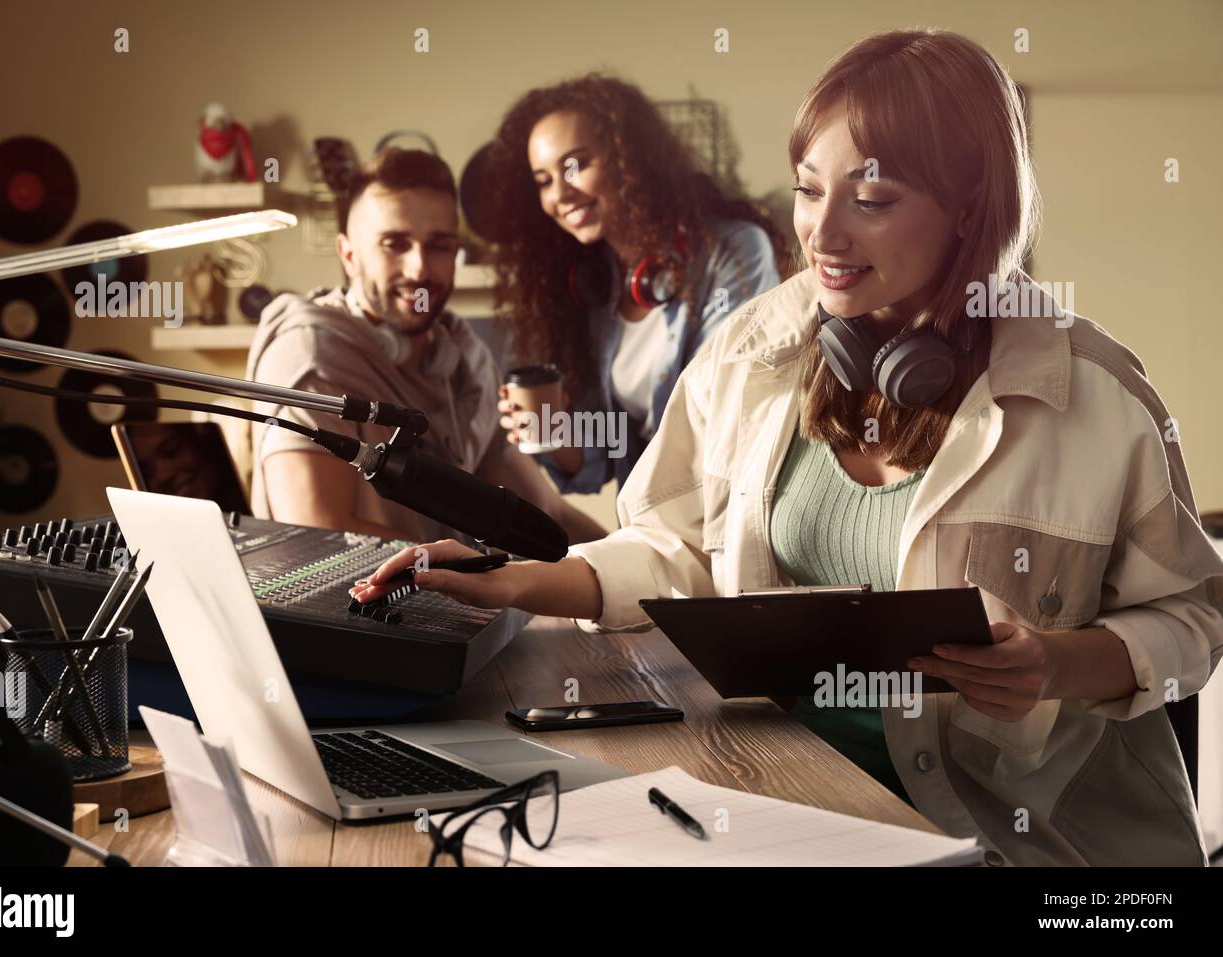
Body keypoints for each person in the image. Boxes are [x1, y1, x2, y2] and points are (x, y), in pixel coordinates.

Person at [352, 32, 1223, 866]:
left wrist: (1057, 665)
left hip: (1035, 846)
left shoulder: (1095, 395)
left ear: (968, 209)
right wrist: (508, 578)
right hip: (797, 811)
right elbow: (675, 546)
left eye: (871, 201)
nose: (823, 235)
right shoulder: (754, 351)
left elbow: (1194, 616)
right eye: (808, 190)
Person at [247, 147, 605, 545]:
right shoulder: (310, 355)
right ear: (349, 255)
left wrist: (642, 576)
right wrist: (482, 575)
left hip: (464, 599)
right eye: (394, 244)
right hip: (356, 606)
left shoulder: (464, 361)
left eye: (439, 245)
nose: (419, 269)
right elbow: (317, 533)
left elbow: (544, 518)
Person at [487, 75, 787, 496]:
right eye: (543, 180)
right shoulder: (595, 287)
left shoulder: (732, 251)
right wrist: (551, 432)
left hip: (729, 514)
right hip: (653, 531)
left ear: (631, 159)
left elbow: (722, 412)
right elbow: (603, 459)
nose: (560, 194)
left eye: (575, 166)